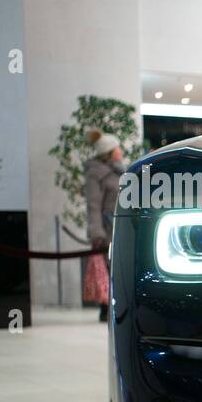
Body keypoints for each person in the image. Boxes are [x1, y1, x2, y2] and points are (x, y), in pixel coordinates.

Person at [83, 129, 123, 322]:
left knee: (117, 267)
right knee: (107, 268)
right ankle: (105, 307)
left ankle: (115, 305)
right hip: (106, 229)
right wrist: (96, 231)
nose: (120, 151)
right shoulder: (96, 174)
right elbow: (93, 204)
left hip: (119, 225)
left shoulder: (119, 171)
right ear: (109, 151)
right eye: (117, 148)